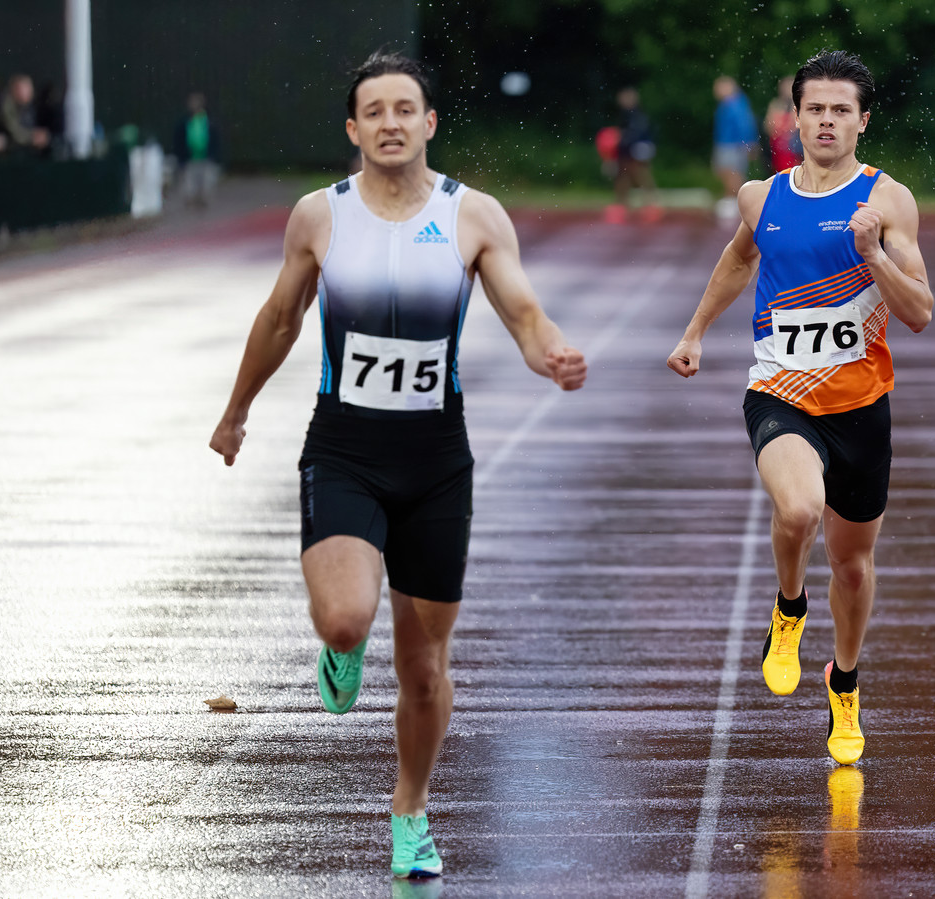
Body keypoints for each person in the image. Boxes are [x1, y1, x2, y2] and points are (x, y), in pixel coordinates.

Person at [208, 51, 587, 878]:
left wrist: (551, 352)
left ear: (429, 122)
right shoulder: (320, 216)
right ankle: (340, 646)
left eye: (403, 109)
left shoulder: (472, 215)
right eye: (373, 111)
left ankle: (410, 809)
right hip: (344, 447)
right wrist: (236, 411)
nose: (389, 123)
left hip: (435, 460)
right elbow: (279, 318)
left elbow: (523, 312)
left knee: (423, 666)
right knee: (347, 616)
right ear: (353, 129)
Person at [667, 50, 933, 766]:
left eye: (841, 110)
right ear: (795, 116)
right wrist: (694, 332)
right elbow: (737, 259)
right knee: (798, 509)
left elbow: (919, 312)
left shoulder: (889, 201)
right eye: (814, 108)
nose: (826, 121)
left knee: (853, 566)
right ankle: (789, 606)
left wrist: (874, 255)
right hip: (780, 393)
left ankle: (843, 681)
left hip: (861, 408)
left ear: (862, 121)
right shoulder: (762, 197)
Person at [605, 86, 660, 224]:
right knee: (627, 176)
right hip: (629, 150)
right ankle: (626, 205)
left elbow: (635, 134)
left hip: (635, 149)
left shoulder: (636, 115)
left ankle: (649, 205)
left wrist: (621, 139)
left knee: (639, 175)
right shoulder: (629, 114)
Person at [711, 75, 759, 220]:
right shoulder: (730, 103)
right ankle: (734, 201)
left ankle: (739, 203)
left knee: (732, 173)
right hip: (727, 144)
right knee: (728, 172)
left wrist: (747, 144)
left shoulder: (735, 104)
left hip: (732, 145)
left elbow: (744, 125)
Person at [173, 92, 223, 207]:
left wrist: (215, 156)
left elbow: (215, 139)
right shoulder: (185, 122)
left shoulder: (209, 122)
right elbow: (179, 140)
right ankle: (192, 210)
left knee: (206, 189)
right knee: (189, 190)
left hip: (207, 159)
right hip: (190, 159)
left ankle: (203, 211)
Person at [0, 74, 49, 155]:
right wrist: (32, 136)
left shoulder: (37, 105)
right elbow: (13, 130)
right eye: (19, 89)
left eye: (27, 88)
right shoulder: (6, 105)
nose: (23, 92)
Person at [763, 76, 803, 173]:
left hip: (792, 146)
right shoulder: (776, 104)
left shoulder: (799, 105)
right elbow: (768, 126)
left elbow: (794, 125)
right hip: (778, 146)